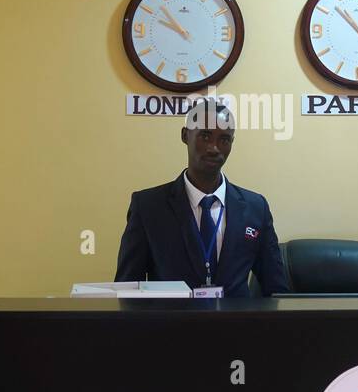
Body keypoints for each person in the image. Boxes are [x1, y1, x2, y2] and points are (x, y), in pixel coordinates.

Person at [115, 99, 290, 297]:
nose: (214, 148)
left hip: (238, 327)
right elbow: (126, 291)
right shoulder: (148, 207)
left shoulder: (256, 207)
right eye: (205, 136)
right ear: (185, 135)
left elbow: (276, 290)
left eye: (224, 139)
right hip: (169, 326)